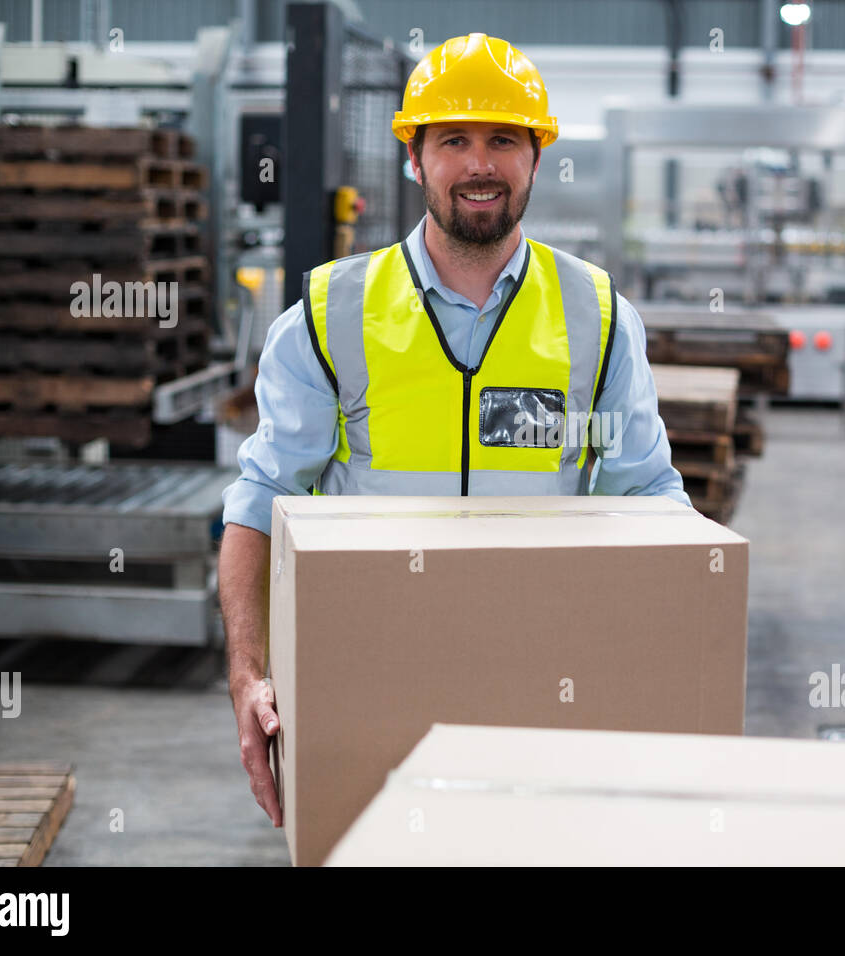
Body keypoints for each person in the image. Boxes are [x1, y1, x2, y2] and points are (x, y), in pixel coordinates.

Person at [219, 33, 689, 827]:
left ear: (537, 158)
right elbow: (262, 498)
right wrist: (249, 677)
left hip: (544, 693)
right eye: (454, 141)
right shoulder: (332, 318)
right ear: (416, 158)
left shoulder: (598, 317)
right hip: (363, 693)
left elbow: (647, 496)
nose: (480, 164)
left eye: (504, 139)